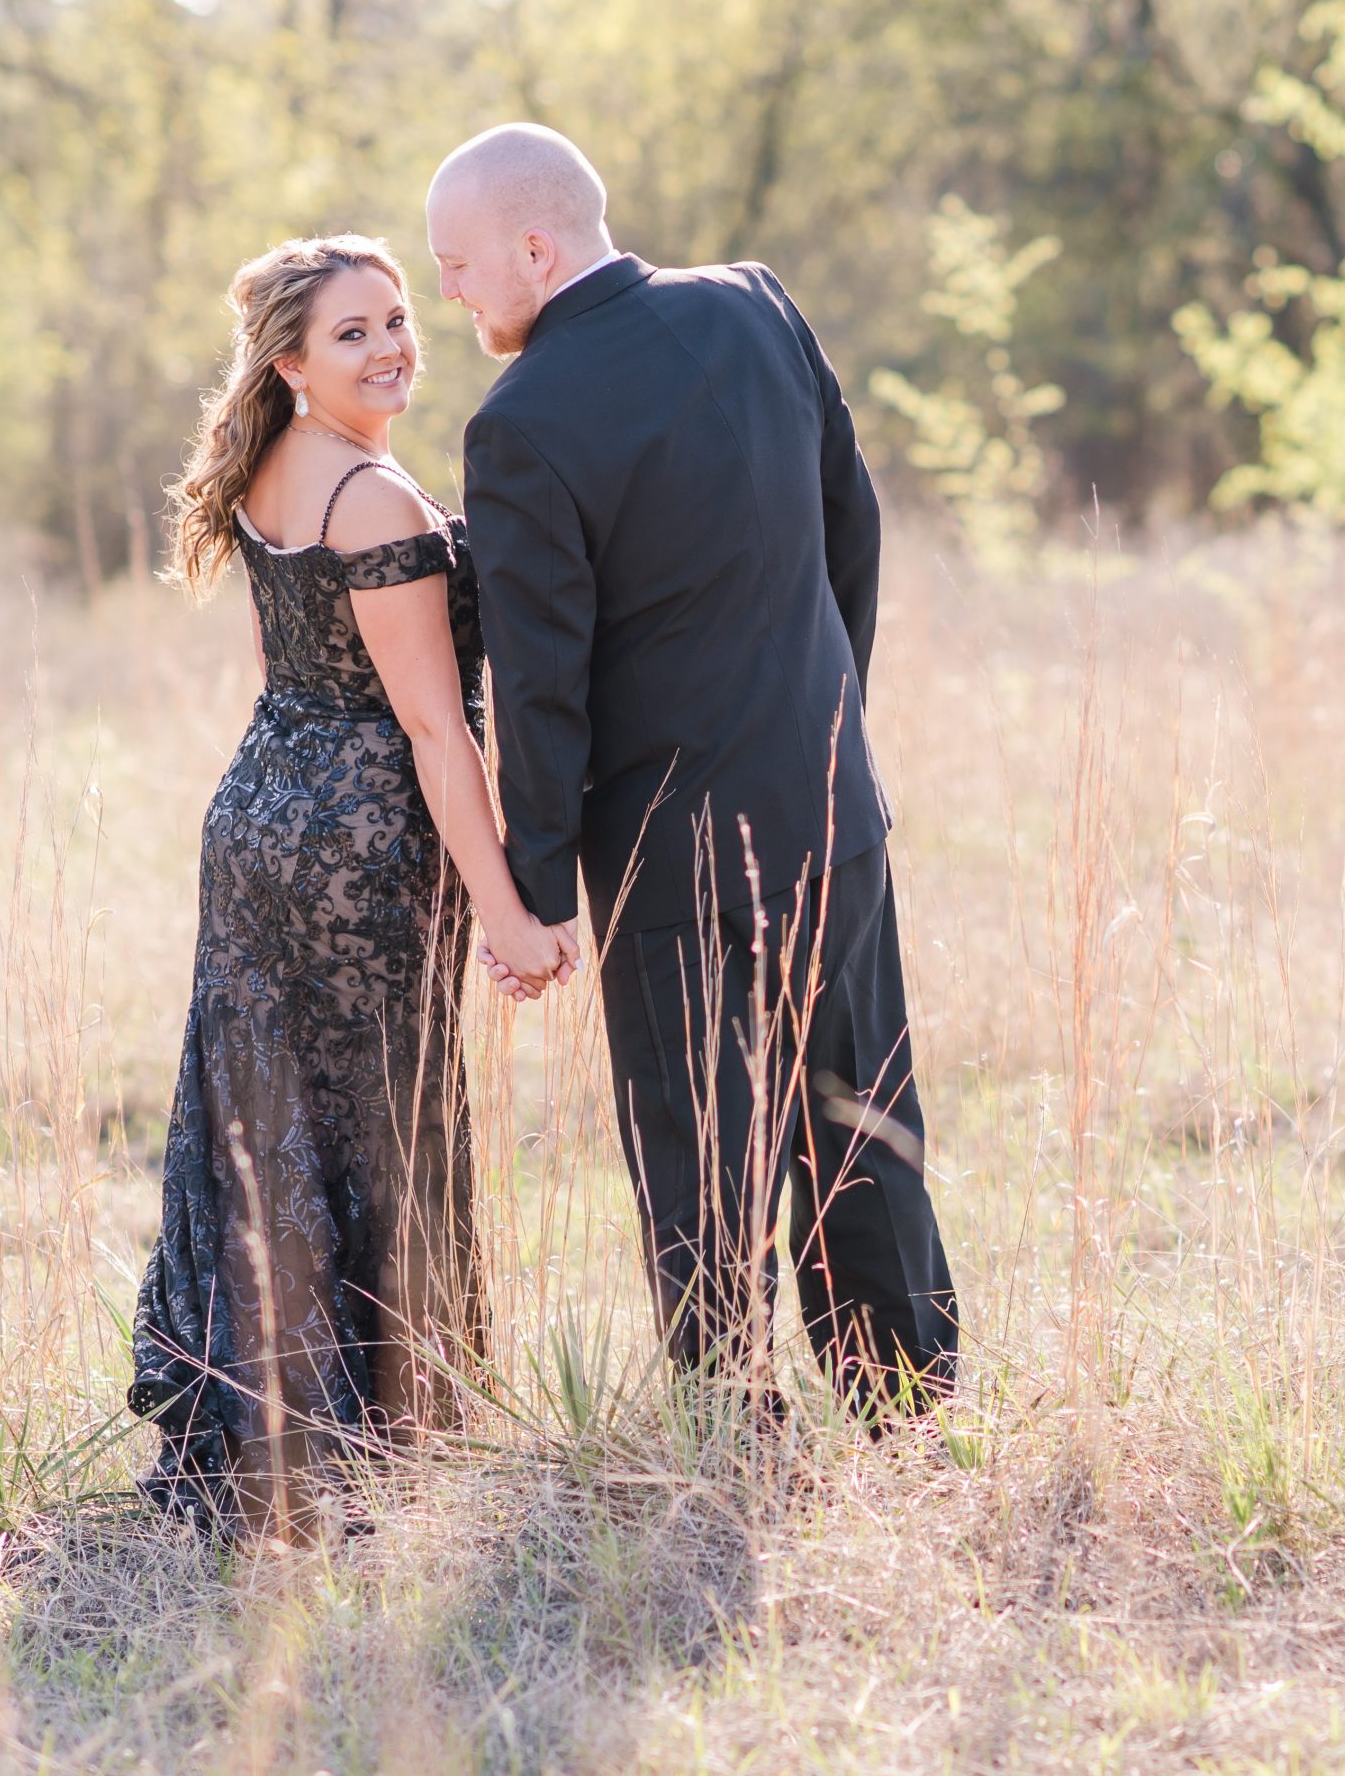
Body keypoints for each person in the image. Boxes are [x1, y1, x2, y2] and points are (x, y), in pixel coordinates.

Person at [431, 124, 957, 1421]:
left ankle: (733, 1422)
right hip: (831, 804)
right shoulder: (756, 305)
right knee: (861, 1110)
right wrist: (831, 720)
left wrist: (537, 893)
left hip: (668, 852)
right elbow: (856, 524)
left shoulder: (519, 424)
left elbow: (541, 690)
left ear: (535, 249)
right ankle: (907, 1401)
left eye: (458, 264)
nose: (450, 293)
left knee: (700, 1144)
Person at [127, 235, 572, 1538]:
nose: (390, 348)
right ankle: (364, 1444)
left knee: (273, 1117)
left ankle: (274, 1429)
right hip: (358, 843)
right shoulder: (373, 502)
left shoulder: (268, 468)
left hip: (257, 816)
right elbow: (438, 729)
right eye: (352, 334)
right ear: (290, 361)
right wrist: (504, 905)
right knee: (380, 1119)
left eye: (394, 320)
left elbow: (287, 673)